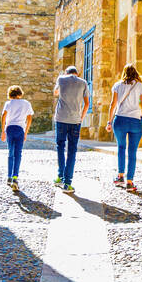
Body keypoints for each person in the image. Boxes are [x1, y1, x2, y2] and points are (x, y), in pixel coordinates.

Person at [107, 64, 142, 193]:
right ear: (135, 73)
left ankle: (120, 176)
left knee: (121, 148)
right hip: (136, 120)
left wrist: (109, 122)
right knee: (132, 151)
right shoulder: (140, 86)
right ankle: (130, 182)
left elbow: (113, 104)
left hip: (120, 120)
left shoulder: (117, 85)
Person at [53, 63, 89, 194]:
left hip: (61, 119)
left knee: (60, 147)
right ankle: (67, 183)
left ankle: (60, 176)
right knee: (72, 151)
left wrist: (60, 80)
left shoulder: (61, 79)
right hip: (75, 121)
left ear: (66, 73)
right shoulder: (83, 82)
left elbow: (55, 93)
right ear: (77, 74)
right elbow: (87, 104)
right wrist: (81, 118)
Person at [0, 85, 33, 193]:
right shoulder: (26, 103)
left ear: (10, 94)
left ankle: (9, 176)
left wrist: (3, 131)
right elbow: (29, 118)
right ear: (20, 94)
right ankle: (15, 177)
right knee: (18, 153)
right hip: (20, 129)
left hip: (9, 128)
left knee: (11, 152)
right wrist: (26, 132)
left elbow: (4, 116)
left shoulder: (8, 103)